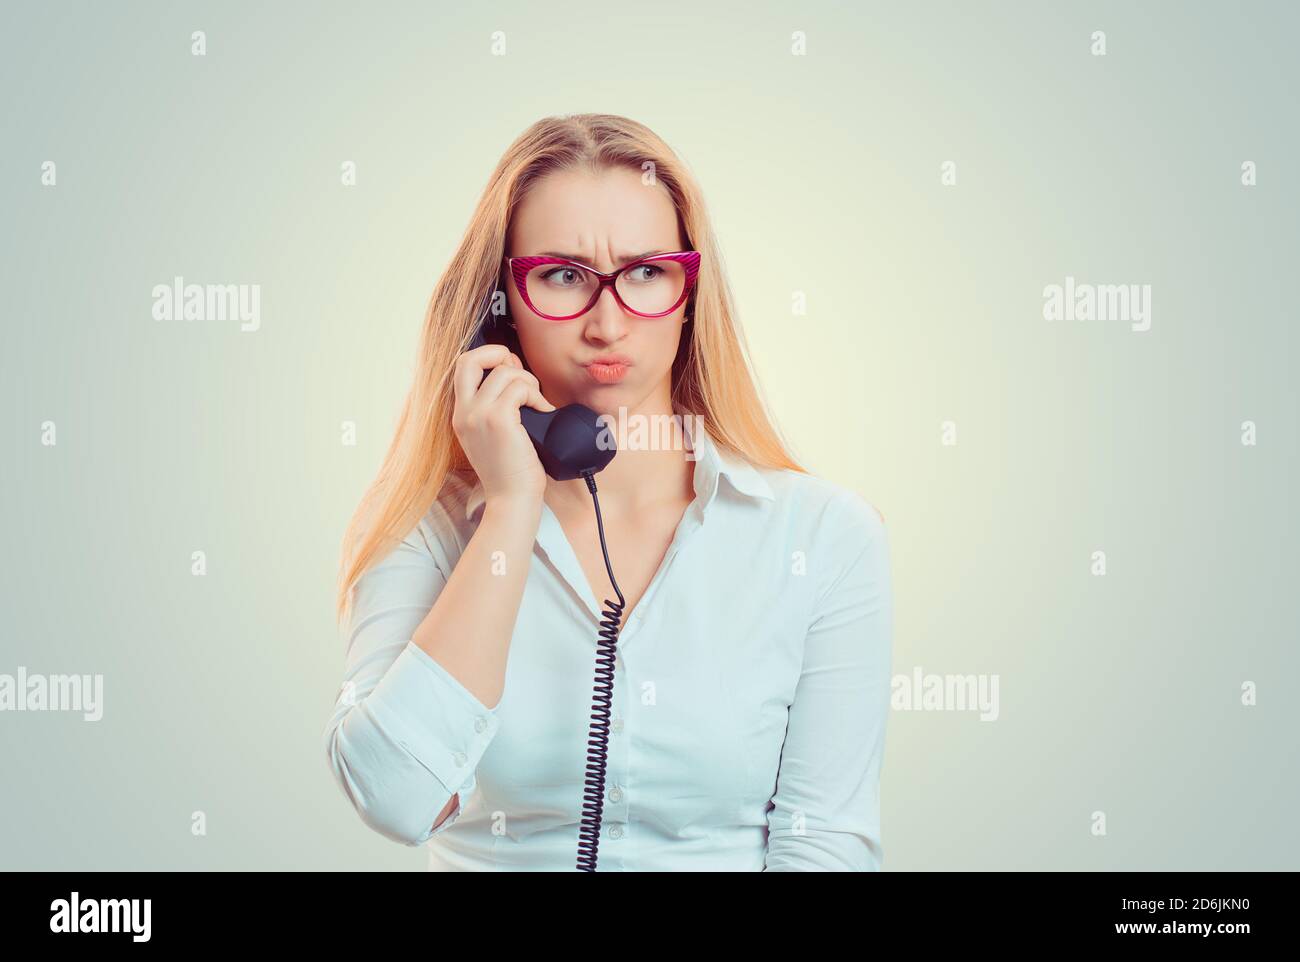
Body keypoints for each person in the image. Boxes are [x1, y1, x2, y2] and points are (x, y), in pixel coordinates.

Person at [321, 113, 892, 871]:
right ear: (501, 304)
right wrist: (511, 512)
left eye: (646, 273)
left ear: (690, 294)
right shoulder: (428, 531)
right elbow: (395, 797)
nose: (608, 322)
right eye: (562, 276)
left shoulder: (822, 537)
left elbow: (824, 848)